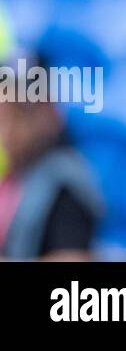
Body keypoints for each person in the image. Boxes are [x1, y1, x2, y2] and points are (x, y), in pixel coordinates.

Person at [0, 52, 103, 260]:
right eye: (3, 115)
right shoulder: (19, 177)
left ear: (48, 109)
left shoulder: (63, 180)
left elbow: (72, 260)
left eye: (20, 114)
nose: (8, 130)